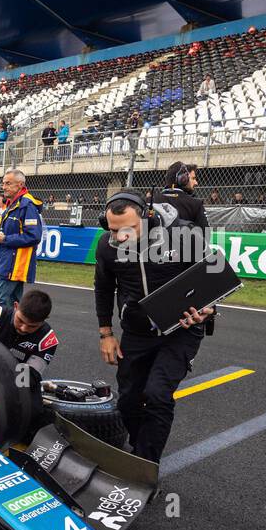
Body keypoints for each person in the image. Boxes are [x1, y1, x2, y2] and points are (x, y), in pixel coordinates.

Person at [94, 192, 216, 462]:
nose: (121, 236)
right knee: (127, 400)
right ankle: (140, 448)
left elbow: (212, 277)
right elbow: (103, 289)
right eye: (113, 229)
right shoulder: (106, 246)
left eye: (129, 229)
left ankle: (146, 463)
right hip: (137, 331)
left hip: (181, 331)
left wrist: (208, 310)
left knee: (158, 394)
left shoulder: (185, 235)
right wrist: (106, 333)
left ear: (147, 217)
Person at [0, 289, 57, 377]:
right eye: (20, 320)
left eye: (32, 326)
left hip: (10, 381)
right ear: (16, 306)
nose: (23, 328)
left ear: (44, 319)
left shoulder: (47, 340)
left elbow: (28, 378)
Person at [0, 170, 43, 308]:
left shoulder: (27, 205)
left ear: (20, 185)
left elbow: (33, 236)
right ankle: (18, 329)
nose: (4, 187)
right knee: (14, 306)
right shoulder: (12, 204)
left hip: (15, 264)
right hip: (8, 261)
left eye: (8, 183)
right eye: (3, 183)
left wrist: (5, 238)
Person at [154, 161, 209, 229]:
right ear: (183, 179)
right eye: (193, 178)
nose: (196, 183)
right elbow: (206, 235)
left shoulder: (149, 201)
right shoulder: (195, 204)